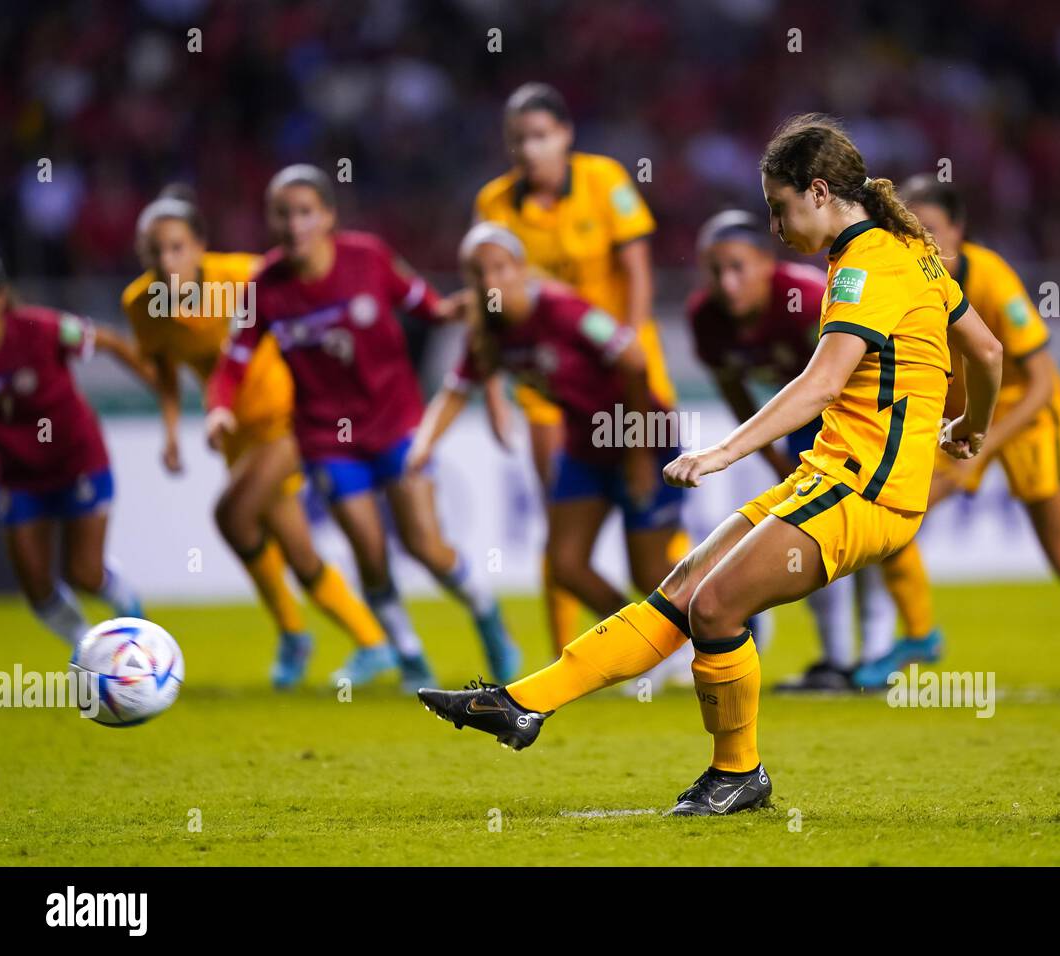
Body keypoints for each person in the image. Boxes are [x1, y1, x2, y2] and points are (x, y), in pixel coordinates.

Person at [418, 114, 1004, 816]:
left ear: (819, 193)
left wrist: (725, 452)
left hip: (864, 487)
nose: (778, 227)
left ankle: (738, 773)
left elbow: (820, 385)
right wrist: (971, 423)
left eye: (780, 208)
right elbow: (986, 350)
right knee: (680, 591)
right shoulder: (911, 252)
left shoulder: (867, 266)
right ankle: (520, 703)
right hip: (834, 477)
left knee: (716, 607)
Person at [206, 164, 519, 692]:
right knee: (369, 554)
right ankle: (410, 656)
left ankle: (489, 622)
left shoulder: (368, 259)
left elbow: (427, 306)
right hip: (327, 441)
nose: (294, 224)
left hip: (397, 424)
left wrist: (462, 311)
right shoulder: (265, 285)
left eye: (305, 211)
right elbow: (234, 360)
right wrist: (219, 407)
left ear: (327, 215)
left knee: (425, 544)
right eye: (282, 214)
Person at [867, 175, 1060, 691]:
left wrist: (983, 447)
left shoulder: (994, 280)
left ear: (958, 229)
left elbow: (1043, 383)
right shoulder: (907, 279)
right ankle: (919, 635)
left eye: (930, 228)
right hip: (954, 422)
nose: (918, 239)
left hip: (1024, 419)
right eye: (908, 228)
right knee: (887, 518)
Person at [123, 185, 391, 689]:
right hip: (234, 430)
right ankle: (374, 643)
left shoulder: (246, 276)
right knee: (296, 549)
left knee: (232, 514)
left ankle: (293, 632)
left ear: (201, 245)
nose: (167, 260)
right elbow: (161, 368)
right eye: (154, 251)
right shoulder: (142, 304)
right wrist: (172, 430)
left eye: (177, 247)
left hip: (290, 416)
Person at [687, 209, 945, 691]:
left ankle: (874, 653)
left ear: (768, 264)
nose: (727, 282)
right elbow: (735, 388)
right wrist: (767, 455)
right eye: (715, 270)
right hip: (800, 423)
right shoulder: (707, 319)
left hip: (862, 418)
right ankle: (835, 658)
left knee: (865, 540)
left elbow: (850, 370)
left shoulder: (807, 300)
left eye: (738, 267)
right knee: (802, 542)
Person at [472, 82, 685, 655]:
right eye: (517, 140)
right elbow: (486, 302)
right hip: (547, 381)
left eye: (540, 136)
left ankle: (689, 616)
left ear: (565, 135)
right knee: (560, 516)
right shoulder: (493, 203)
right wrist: (493, 390)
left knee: (653, 503)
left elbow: (638, 268)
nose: (529, 150)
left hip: (623, 369)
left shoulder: (605, 181)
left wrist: (631, 340)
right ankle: (572, 649)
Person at [410, 222, 683, 628]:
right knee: (566, 565)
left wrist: (640, 454)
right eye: (479, 273)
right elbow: (455, 391)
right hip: (584, 450)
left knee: (647, 573)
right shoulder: (487, 333)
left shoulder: (565, 311)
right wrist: (421, 448)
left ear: (520, 268)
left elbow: (635, 362)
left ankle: (724, 614)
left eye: (500, 268)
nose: (491, 281)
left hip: (642, 435)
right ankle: (647, 640)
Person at [0, 254, 149, 645]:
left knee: (84, 573)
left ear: (1, 297)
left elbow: (110, 340)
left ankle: (130, 608)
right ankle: (88, 649)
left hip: (76, 460)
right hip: (18, 476)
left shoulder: (42, 329)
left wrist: (160, 389)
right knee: (35, 585)